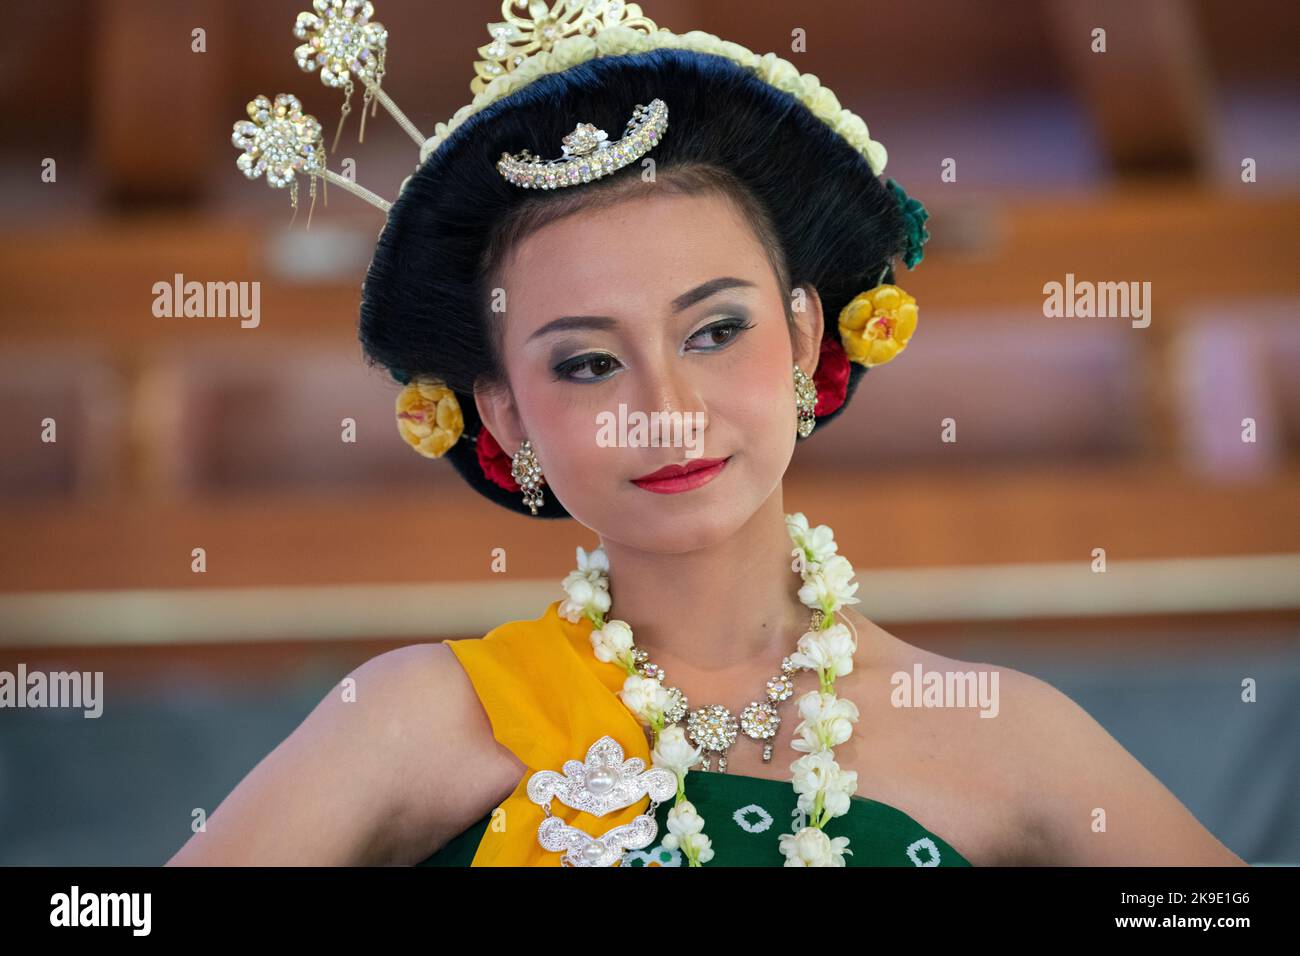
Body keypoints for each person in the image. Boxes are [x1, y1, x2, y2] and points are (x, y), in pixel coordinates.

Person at [171, 2, 1245, 867]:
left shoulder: (1010, 736)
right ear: (504, 412)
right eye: (587, 361)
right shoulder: (415, 716)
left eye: (715, 329)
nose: (664, 405)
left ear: (799, 337)